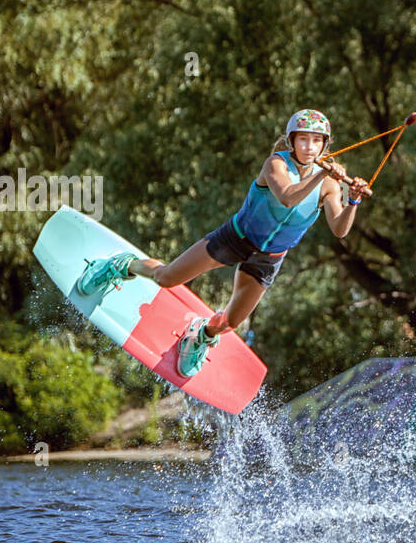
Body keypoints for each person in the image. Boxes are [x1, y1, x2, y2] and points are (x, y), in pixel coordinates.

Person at [75, 109, 371, 376]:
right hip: (235, 238)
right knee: (166, 278)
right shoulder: (276, 164)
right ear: (291, 141)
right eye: (303, 139)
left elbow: (339, 229)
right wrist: (321, 173)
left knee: (230, 322)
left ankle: (200, 335)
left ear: (324, 145)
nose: (309, 147)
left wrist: (353, 199)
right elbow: (287, 196)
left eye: (316, 141)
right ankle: (123, 264)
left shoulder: (331, 185)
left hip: (269, 258)